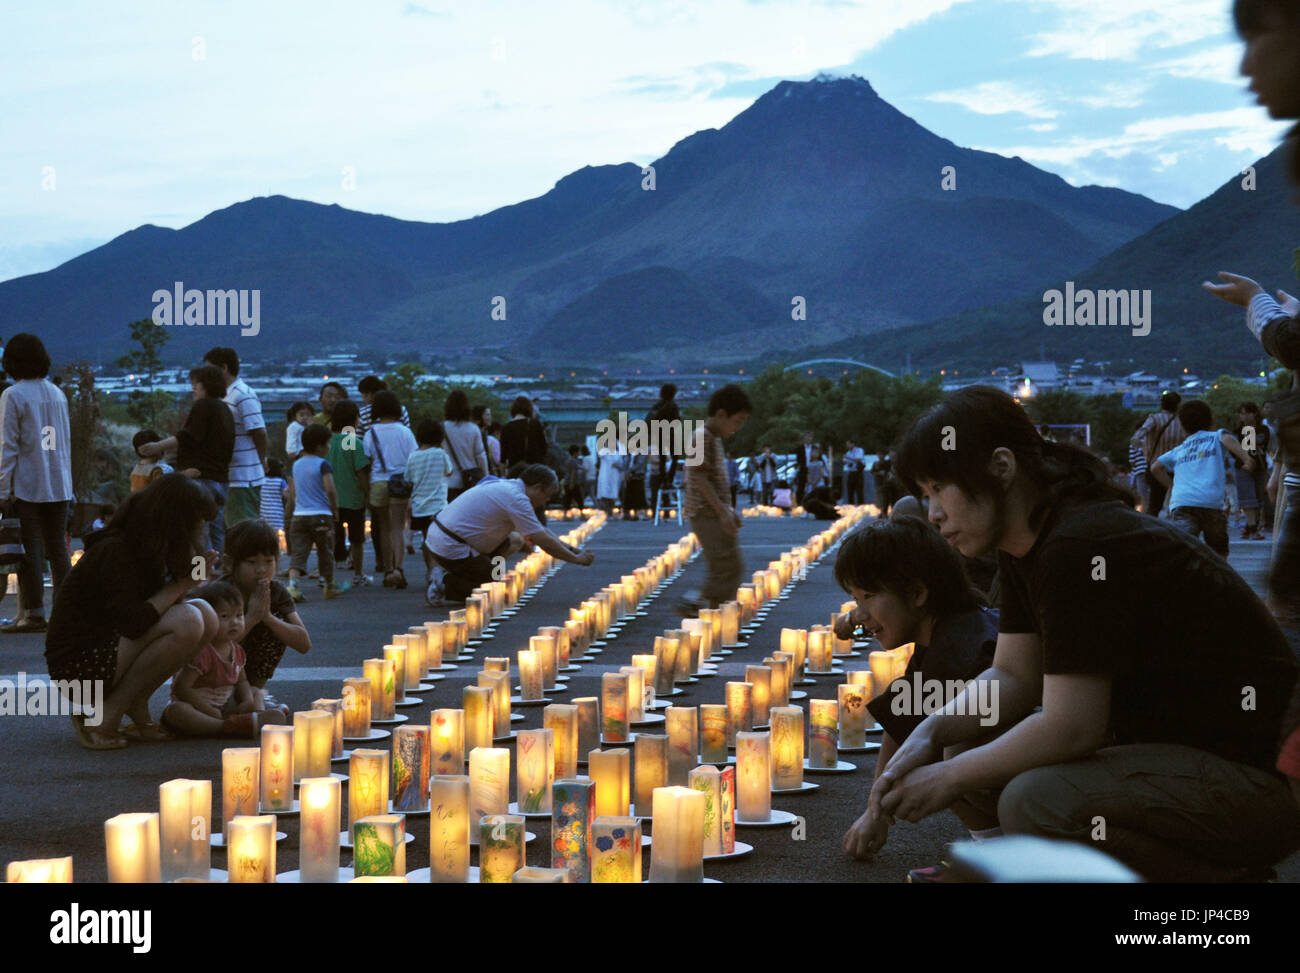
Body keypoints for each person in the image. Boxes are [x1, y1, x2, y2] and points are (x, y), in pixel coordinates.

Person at [872, 384, 1300, 882]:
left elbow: (1072, 726)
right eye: (925, 495)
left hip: (1258, 782)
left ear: (1002, 468)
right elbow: (1012, 675)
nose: (933, 514)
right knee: (962, 742)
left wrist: (946, 776)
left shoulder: (1080, 545)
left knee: (1034, 802)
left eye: (939, 489)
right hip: (1174, 759)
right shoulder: (1027, 543)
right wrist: (927, 735)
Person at [837, 517, 999, 861]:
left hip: (1045, 770)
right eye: (855, 599)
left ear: (917, 593)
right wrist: (874, 810)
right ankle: (994, 844)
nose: (861, 615)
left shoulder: (959, 649)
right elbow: (902, 722)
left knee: (952, 746)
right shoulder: (942, 632)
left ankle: (1002, 850)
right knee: (941, 741)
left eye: (868, 596)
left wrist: (878, 811)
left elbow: (914, 733)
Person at [46, 475, 221, 749]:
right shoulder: (117, 549)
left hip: (111, 647)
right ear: (174, 523)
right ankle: (104, 718)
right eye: (195, 527)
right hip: (78, 665)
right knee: (189, 620)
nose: (198, 533)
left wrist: (198, 559)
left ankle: (136, 703)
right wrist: (182, 584)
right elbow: (135, 622)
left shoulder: (156, 546)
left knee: (205, 614)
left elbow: (189, 589)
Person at [424, 464, 595, 606]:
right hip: (451, 544)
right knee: (492, 589)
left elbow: (542, 531)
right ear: (537, 488)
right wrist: (576, 559)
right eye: (547, 496)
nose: (546, 502)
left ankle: (481, 572)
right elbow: (543, 541)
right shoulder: (516, 499)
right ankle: (443, 584)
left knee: (511, 542)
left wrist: (574, 550)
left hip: (444, 536)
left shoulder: (505, 485)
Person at [0, 334, 73, 634]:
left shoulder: (13, 395)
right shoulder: (57, 394)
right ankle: (69, 611)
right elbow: (64, 442)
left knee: (29, 551)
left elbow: (8, 446)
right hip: (59, 481)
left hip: (27, 484)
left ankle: (34, 613)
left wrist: (3, 489)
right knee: (58, 549)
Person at [160, 581, 289, 738]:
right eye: (224, 616)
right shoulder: (202, 652)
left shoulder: (236, 650)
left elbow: (242, 681)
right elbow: (181, 689)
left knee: (255, 691)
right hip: (198, 707)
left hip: (224, 705)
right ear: (207, 619)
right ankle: (227, 727)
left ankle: (257, 716)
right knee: (176, 712)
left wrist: (247, 700)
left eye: (239, 615)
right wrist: (208, 710)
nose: (234, 622)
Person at [136, 364, 234, 554]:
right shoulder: (224, 409)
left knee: (199, 533)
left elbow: (187, 437)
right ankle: (219, 572)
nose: (193, 388)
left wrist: (158, 446)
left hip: (202, 478)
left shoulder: (203, 406)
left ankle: (201, 575)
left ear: (206, 385)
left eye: (196, 384)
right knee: (216, 531)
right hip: (221, 479)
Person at [219, 518, 311, 710]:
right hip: (214, 674)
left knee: (276, 626)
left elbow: (303, 643)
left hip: (250, 674)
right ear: (229, 563)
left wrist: (267, 616)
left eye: (268, 562)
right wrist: (252, 617)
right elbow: (213, 648)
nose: (261, 570)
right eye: (252, 562)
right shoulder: (220, 593)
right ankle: (230, 696)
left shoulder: (276, 592)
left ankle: (253, 690)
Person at [678, 385, 751, 614]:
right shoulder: (701, 436)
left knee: (730, 565)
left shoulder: (711, 437)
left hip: (714, 511)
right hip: (704, 512)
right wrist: (722, 511)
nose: (737, 429)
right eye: (737, 422)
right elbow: (698, 477)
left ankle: (720, 617)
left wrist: (727, 510)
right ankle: (697, 602)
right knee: (724, 565)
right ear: (721, 415)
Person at [1149, 400, 1255, 558]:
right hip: (1210, 502)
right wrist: (1247, 460)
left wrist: (1171, 485)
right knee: (1218, 550)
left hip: (1182, 502)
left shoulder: (1180, 449)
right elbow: (1228, 440)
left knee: (1184, 547)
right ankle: (1220, 578)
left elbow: (1155, 467)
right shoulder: (1216, 436)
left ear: (1183, 426)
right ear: (1211, 420)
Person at [203, 347, 266, 533]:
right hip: (229, 475)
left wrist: (261, 460)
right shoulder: (224, 395)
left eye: (209, 369)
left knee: (243, 531)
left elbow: (259, 431)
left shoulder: (242, 394)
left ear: (223, 368)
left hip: (243, 476)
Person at [363, 391, 418, 588]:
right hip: (400, 484)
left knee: (384, 528)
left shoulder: (371, 433)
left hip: (378, 482)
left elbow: (366, 459)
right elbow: (413, 459)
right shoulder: (405, 432)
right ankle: (398, 569)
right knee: (397, 527)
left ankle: (387, 570)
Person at [288, 424, 345, 601]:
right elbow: (330, 489)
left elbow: (293, 491)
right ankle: (329, 585)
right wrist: (334, 508)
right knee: (325, 551)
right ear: (320, 446)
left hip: (299, 515)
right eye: (328, 444)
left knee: (299, 552)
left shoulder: (296, 464)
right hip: (321, 514)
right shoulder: (323, 464)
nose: (329, 447)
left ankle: (293, 586)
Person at [328, 400, 371, 586]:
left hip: (330, 499)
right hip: (353, 497)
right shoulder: (351, 440)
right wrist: (367, 492)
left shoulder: (327, 441)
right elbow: (359, 470)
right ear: (353, 419)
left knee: (331, 538)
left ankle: (328, 576)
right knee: (356, 539)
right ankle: (358, 574)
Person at [407, 418, 453, 584]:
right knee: (439, 541)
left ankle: (429, 572)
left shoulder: (413, 456)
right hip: (438, 505)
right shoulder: (440, 454)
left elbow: (408, 477)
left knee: (426, 541)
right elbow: (449, 472)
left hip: (419, 506)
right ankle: (439, 570)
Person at [1129, 390, 1185, 517]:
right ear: (1177, 405)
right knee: (1179, 502)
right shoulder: (1181, 422)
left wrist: (1138, 444)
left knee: (1154, 504)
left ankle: (1150, 530)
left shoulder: (1154, 418)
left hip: (1156, 468)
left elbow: (1138, 435)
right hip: (1178, 468)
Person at [443, 389, 489, 502]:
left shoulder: (442, 428)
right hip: (470, 481)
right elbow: (480, 456)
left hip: (447, 482)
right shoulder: (473, 429)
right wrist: (486, 477)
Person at [1234, 403, 1272, 540]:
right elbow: (1240, 449)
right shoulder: (1238, 430)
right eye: (1241, 413)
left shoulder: (1263, 430)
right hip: (1243, 468)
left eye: (1246, 413)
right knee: (1248, 499)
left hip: (1260, 467)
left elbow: (1255, 446)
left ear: (1254, 413)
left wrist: (1250, 429)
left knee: (1258, 499)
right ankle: (1253, 528)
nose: (1243, 416)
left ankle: (1251, 526)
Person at [500, 395, 548, 469]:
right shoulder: (535, 424)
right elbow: (543, 447)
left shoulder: (506, 427)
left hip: (515, 467)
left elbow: (504, 453)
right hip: (534, 466)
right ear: (529, 408)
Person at [260, 458, 289, 537]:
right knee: (278, 538)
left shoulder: (261, 480)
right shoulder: (281, 482)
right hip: (277, 515)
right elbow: (287, 496)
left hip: (263, 514)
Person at [794, 432, 816, 504]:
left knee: (813, 486)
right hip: (803, 469)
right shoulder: (800, 448)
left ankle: (813, 502)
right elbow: (798, 459)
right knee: (801, 486)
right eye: (807, 437)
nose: (808, 439)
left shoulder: (814, 448)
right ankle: (799, 503)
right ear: (804, 438)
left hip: (813, 469)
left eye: (810, 437)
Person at [843, 439, 866, 505]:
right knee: (850, 490)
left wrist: (848, 458)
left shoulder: (859, 450)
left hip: (858, 472)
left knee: (859, 491)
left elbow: (859, 459)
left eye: (849, 444)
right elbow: (845, 461)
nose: (847, 446)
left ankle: (861, 506)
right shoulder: (848, 452)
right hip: (851, 472)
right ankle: (851, 506)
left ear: (853, 444)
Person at [563, 445, 585, 509]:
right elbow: (573, 472)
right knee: (578, 499)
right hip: (572, 483)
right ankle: (581, 513)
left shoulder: (570, 460)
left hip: (568, 482)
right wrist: (572, 483)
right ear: (575, 452)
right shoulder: (573, 461)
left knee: (568, 498)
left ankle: (566, 513)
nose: (579, 453)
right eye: (578, 452)